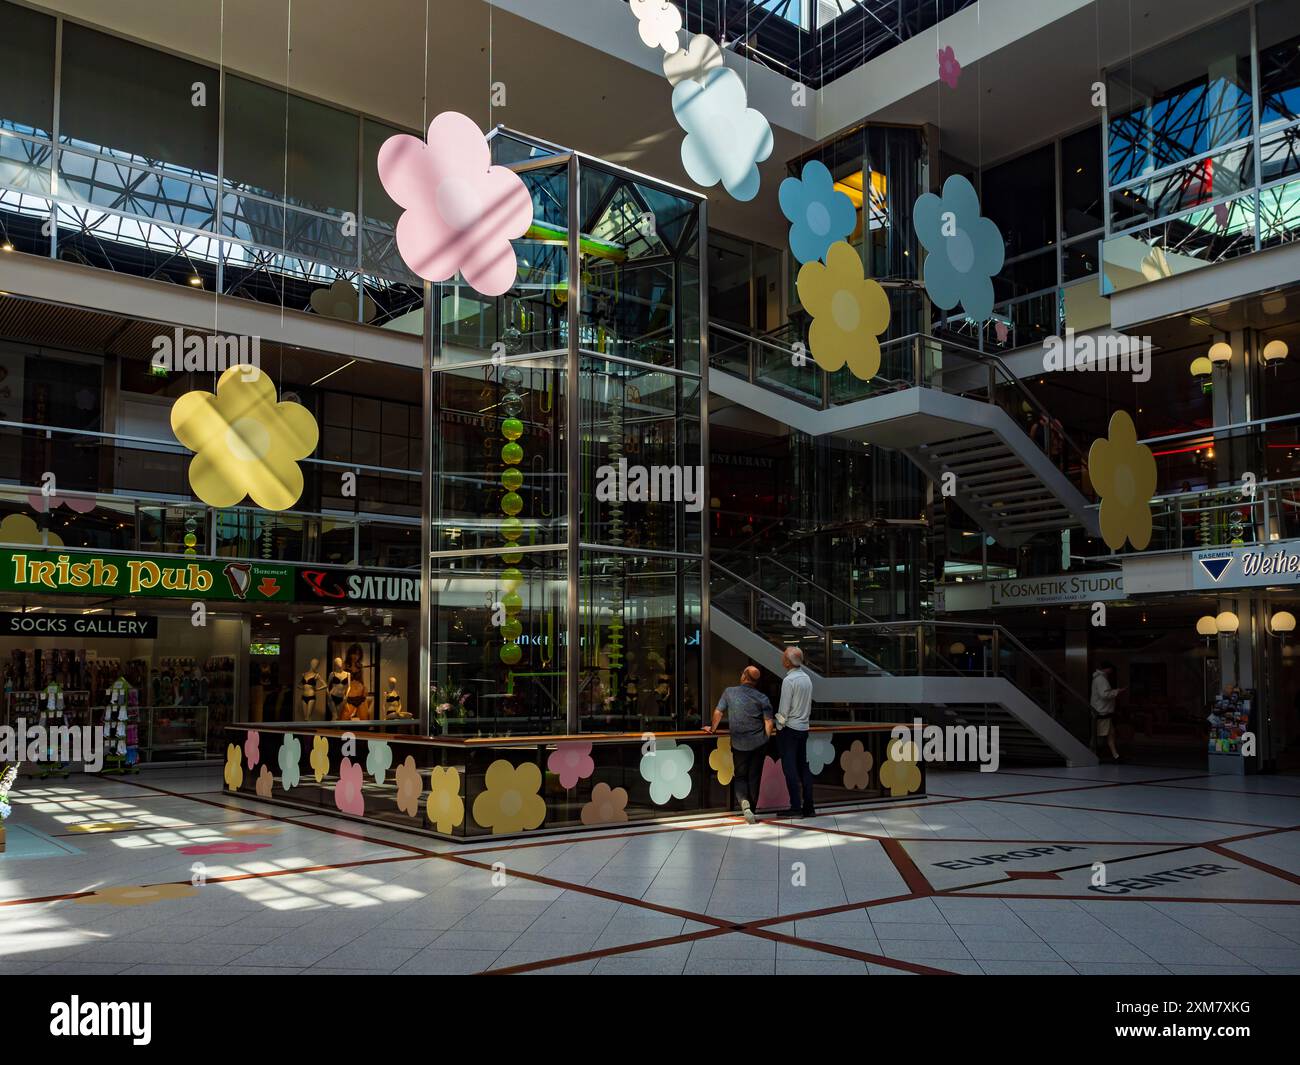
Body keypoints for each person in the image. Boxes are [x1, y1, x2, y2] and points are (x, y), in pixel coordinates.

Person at [705, 666, 773, 824]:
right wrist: (765, 739)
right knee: (754, 777)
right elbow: (769, 722)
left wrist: (712, 728)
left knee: (741, 776)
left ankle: (743, 801)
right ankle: (752, 810)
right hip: (758, 744)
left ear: (744, 676)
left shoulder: (729, 692)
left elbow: (718, 712)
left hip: (738, 743)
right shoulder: (762, 698)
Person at [776, 646, 816, 816]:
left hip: (790, 729)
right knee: (803, 767)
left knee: (790, 768)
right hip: (803, 728)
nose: (782, 659)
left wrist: (778, 727)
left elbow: (783, 711)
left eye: (784, 656)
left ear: (789, 661)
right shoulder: (807, 679)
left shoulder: (789, 681)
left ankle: (795, 806)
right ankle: (809, 806)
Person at [1090, 661, 1125, 762]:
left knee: (1109, 734)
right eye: (1111, 669)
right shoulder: (1101, 679)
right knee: (1099, 736)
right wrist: (1117, 691)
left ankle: (1115, 755)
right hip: (1102, 712)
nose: (1111, 672)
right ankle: (1091, 755)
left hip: (1102, 711)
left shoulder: (1099, 678)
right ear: (1108, 669)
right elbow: (1104, 695)